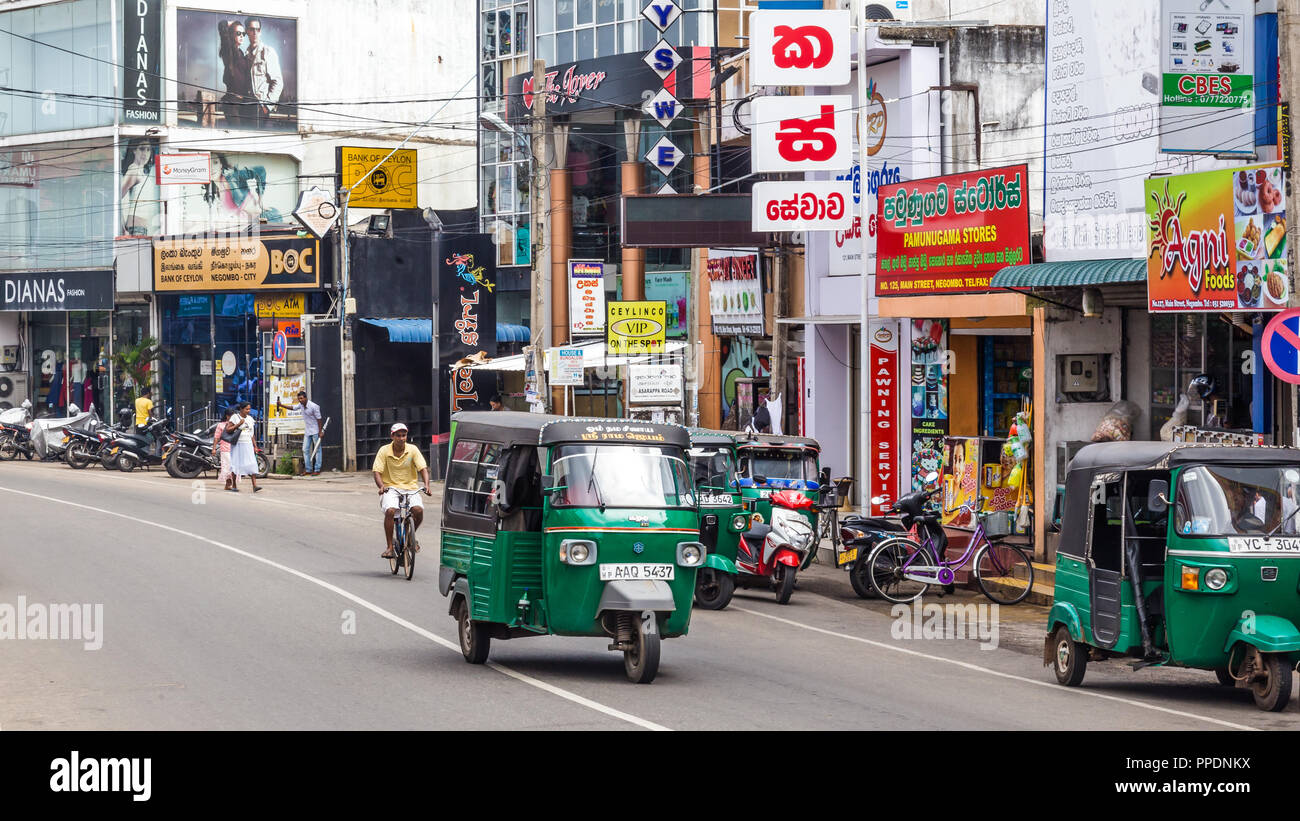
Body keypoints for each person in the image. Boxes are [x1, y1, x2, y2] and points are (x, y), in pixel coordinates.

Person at [373, 423, 431, 559]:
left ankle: (410, 536)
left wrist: (427, 485)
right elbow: (377, 471)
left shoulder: (413, 450)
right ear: (392, 436)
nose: (401, 438)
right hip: (391, 488)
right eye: (398, 435)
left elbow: (423, 468)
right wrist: (381, 486)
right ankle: (389, 547)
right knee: (391, 511)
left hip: (410, 488)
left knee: (418, 511)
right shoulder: (384, 451)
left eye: (403, 435)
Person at [245, 18, 283, 128]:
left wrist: (267, 106)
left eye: (258, 29)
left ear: (260, 31)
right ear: (247, 31)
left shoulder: (268, 52)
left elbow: (278, 82)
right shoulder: (246, 55)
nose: (255, 32)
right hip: (246, 107)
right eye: (252, 29)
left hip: (260, 107)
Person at [279, 390, 323, 475]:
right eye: (299, 399)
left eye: (301, 398)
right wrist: (281, 405)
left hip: (315, 431)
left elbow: (319, 419)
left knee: (317, 450)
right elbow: (293, 408)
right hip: (307, 431)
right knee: (305, 450)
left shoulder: (314, 406)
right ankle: (308, 469)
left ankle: (317, 469)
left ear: (306, 398)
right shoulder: (301, 405)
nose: (300, 400)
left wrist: (320, 431)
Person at [226, 401, 261, 493]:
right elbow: (228, 429)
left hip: (248, 443)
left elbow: (252, 434)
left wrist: (255, 446)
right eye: (246, 409)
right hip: (237, 444)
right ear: (241, 409)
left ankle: (255, 485)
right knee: (235, 463)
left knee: (251, 462)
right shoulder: (234, 417)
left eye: (249, 409)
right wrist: (238, 424)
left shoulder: (250, 419)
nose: (248, 411)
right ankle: (234, 485)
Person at [214, 412, 235, 491]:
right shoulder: (221, 425)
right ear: (227, 416)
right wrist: (214, 448)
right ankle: (228, 483)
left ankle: (233, 484)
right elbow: (216, 437)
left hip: (234, 448)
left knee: (234, 467)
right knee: (227, 467)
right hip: (225, 448)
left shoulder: (236, 425)